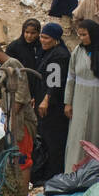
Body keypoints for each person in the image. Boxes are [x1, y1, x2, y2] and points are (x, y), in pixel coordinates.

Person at [63, 19, 99, 171]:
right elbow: (71, 78)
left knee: (98, 135)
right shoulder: (78, 51)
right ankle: (73, 171)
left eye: (84, 35)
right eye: (79, 35)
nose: (81, 38)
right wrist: (68, 102)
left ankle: (98, 172)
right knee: (77, 136)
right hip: (79, 100)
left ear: (93, 34)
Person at [0, 40, 38, 185]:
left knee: (23, 158)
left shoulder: (12, 65)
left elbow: (20, 94)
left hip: (22, 119)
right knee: (15, 156)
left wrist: (11, 119)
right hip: (14, 117)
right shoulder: (4, 68)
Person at [33, 22, 70, 183]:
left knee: (54, 140)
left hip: (54, 106)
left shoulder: (59, 55)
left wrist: (46, 100)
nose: (42, 40)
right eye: (41, 36)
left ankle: (54, 175)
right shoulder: (48, 52)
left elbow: (54, 82)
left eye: (46, 37)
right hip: (45, 101)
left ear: (55, 39)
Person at [5, 18, 44, 105]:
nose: (29, 36)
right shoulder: (14, 47)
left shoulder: (42, 46)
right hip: (20, 87)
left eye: (33, 33)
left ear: (38, 33)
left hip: (37, 86)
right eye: (27, 32)